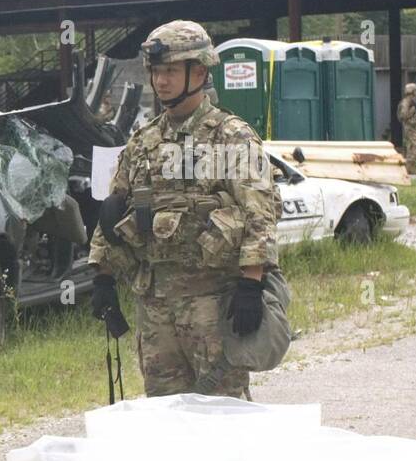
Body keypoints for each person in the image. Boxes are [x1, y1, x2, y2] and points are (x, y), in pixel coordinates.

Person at [88, 20, 281, 399]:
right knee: (166, 418)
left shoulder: (229, 137)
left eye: (171, 70)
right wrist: (102, 277)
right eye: (157, 71)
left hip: (213, 304)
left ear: (200, 72)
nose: (161, 81)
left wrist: (250, 283)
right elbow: (113, 210)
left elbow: (259, 212)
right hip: (156, 307)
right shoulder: (143, 142)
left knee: (223, 414)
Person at [397, 82, 416, 175]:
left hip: (415, 127)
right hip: (411, 128)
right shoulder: (406, 102)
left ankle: (410, 167)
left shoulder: (413, 101)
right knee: (415, 146)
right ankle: (409, 167)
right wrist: (413, 110)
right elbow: (403, 116)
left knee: (413, 147)